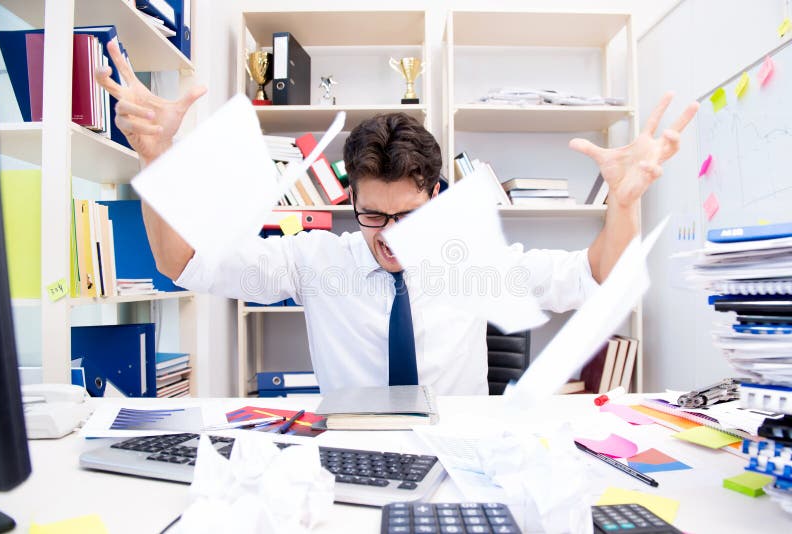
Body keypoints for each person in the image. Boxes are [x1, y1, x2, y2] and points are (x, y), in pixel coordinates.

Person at [95, 40, 699, 395]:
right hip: (349, 455)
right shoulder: (313, 260)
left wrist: (623, 205)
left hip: (457, 453)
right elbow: (181, 264)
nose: (388, 238)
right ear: (350, 199)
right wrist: (157, 158)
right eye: (371, 217)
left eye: (406, 217)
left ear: (435, 194)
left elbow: (595, 275)